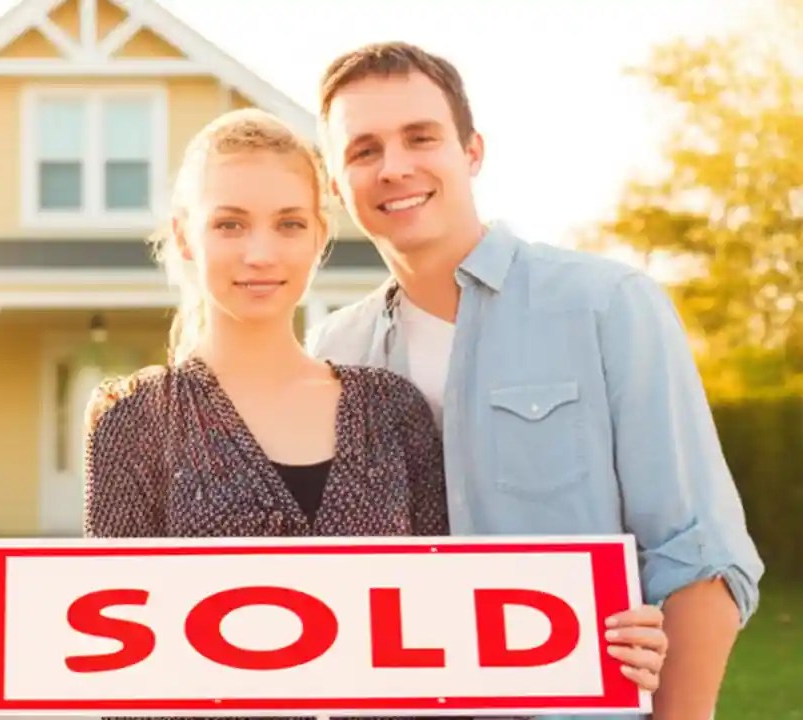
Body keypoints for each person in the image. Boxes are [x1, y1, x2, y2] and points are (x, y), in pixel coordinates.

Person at [81, 107, 667, 720]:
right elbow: (119, 677)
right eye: (229, 224)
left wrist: (604, 648)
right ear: (183, 237)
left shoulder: (389, 410)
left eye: (288, 223)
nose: (260, 253)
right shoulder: (136, 421)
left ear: (319, 236)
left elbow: (455, 623)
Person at [305, 41, 764, 720]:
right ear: (338, 184)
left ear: (472, 152)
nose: (394, 167)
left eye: (420, 138)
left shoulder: (607, 305)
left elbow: (701, 560)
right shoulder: (330, 352)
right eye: (363, 150)